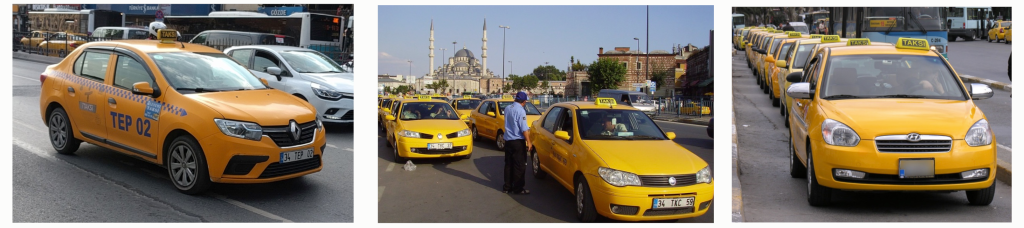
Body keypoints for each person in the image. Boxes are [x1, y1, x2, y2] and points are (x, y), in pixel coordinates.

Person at [502, 91, 532, 194]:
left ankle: (507, 187)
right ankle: (518, 188)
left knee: (509, 164)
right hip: (517, 141)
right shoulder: (521, 111)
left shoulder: (507, 108)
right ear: (524, 101)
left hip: (508, 140)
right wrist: (529, 142)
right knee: (519, 165)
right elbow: (524, 128)